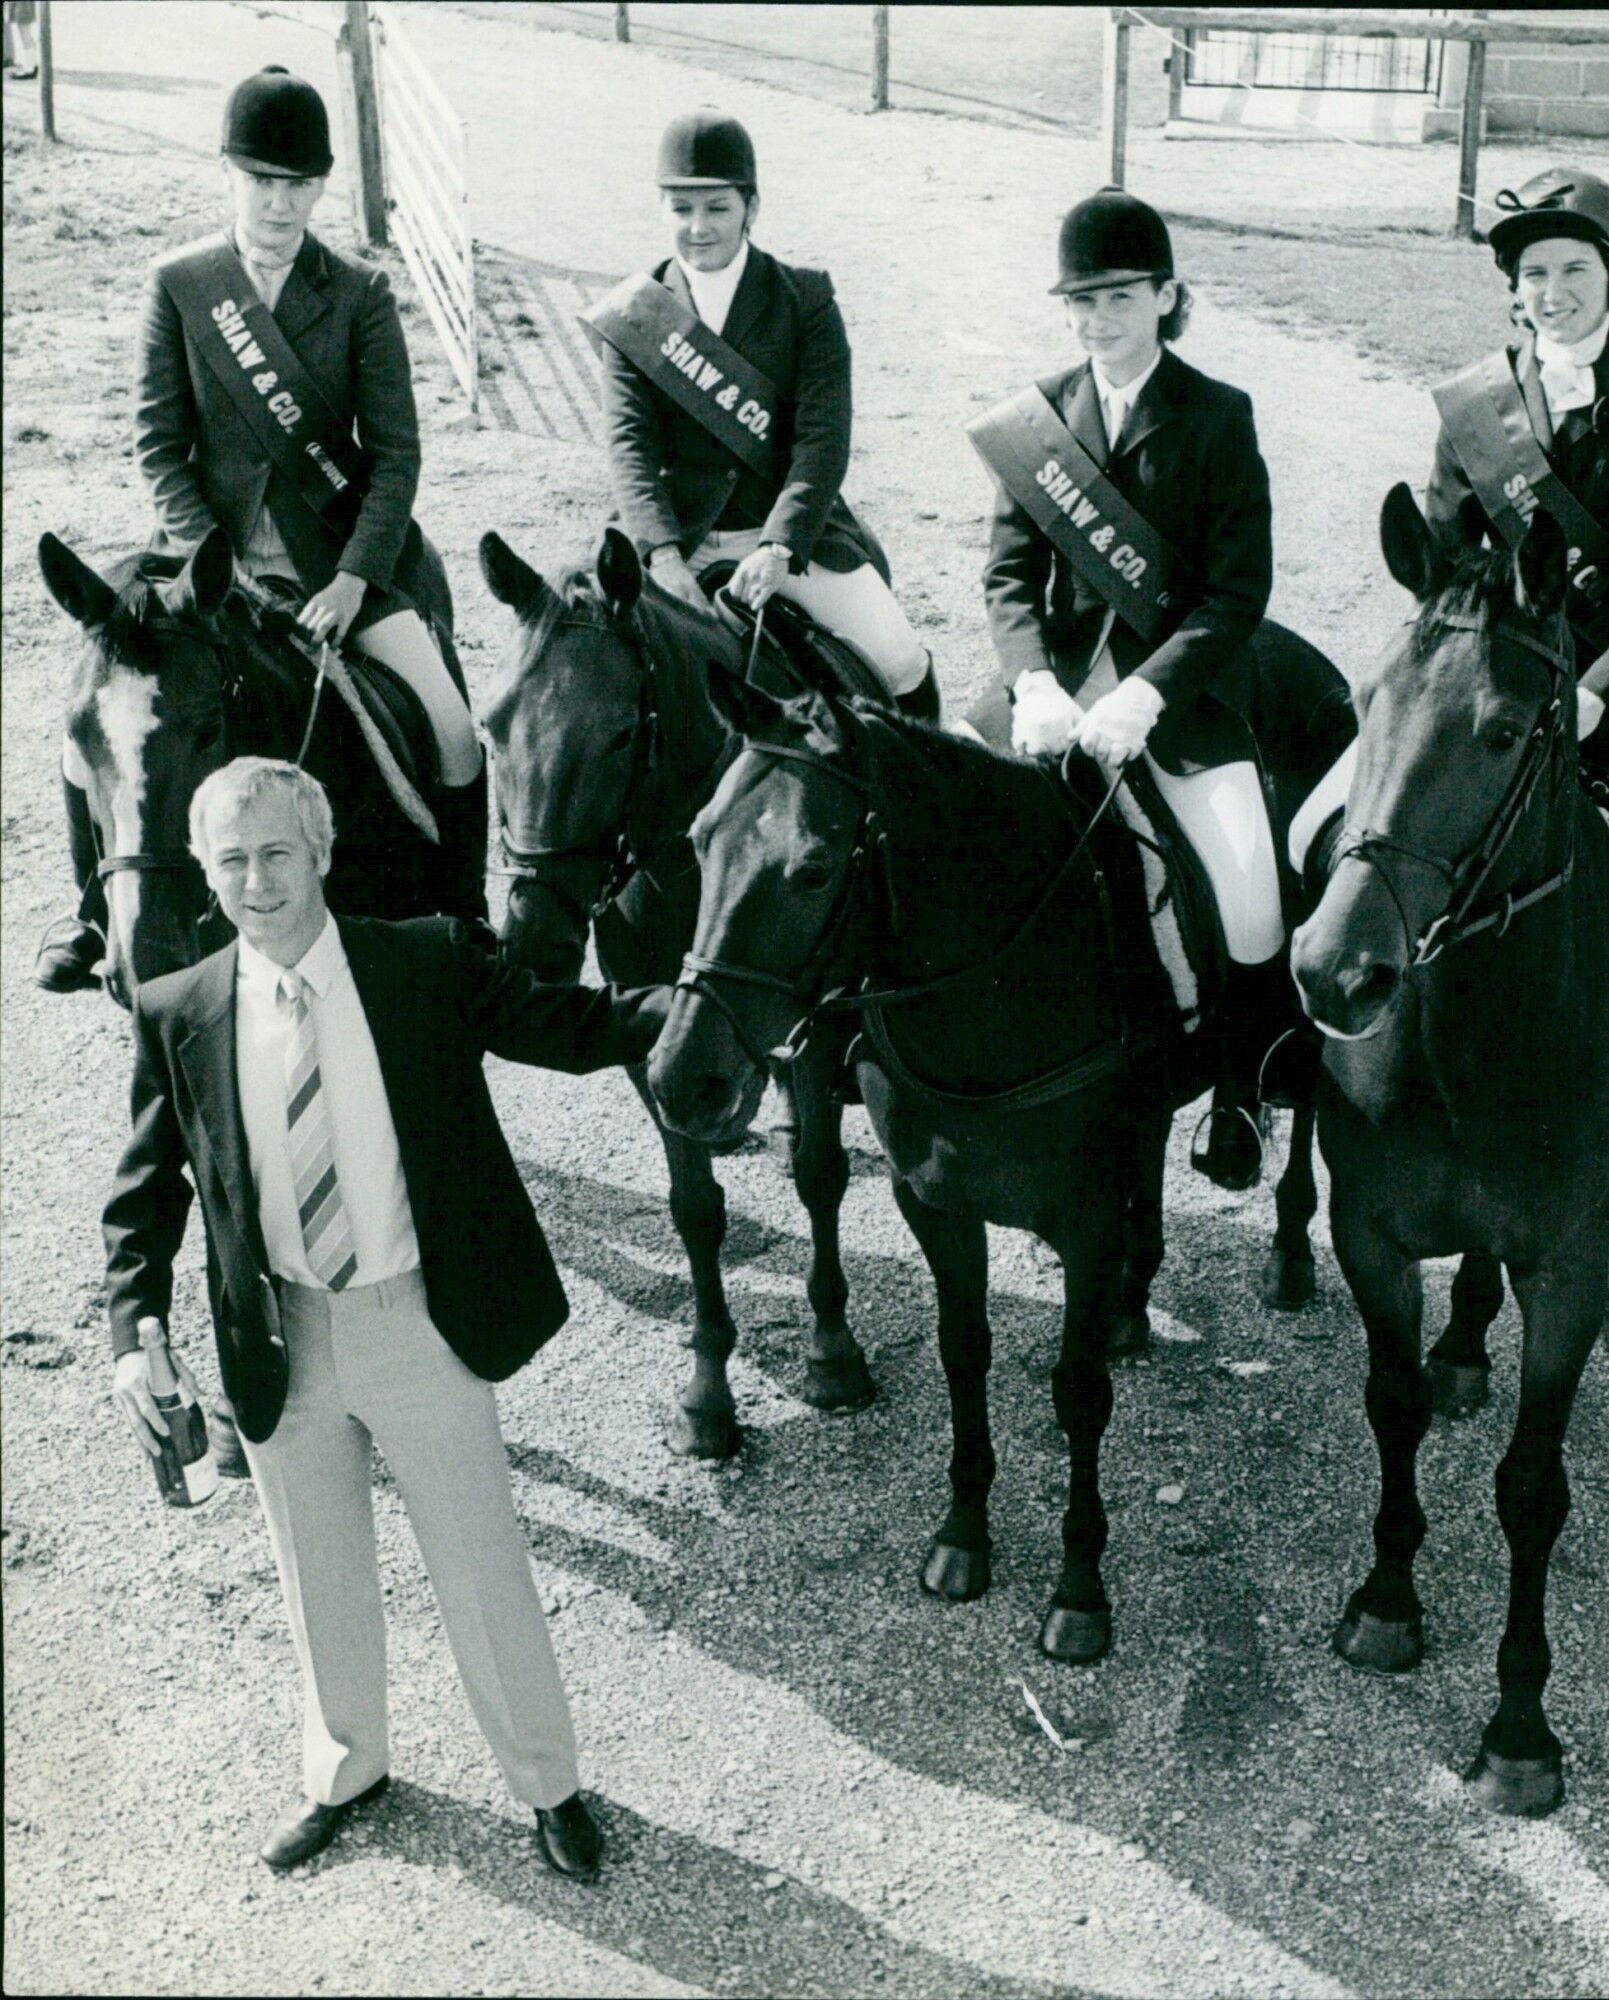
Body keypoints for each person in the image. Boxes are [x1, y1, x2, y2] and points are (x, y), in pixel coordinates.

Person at [104, 757, 668, 1875]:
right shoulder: (178, 1009)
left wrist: (722, 995)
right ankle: (345, 1768)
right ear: (208, 880)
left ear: (320, 851)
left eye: (276, 852)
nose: (257, 881)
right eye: (233, 861)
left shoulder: (423, 959)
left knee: (482, 1565)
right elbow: (144, 1186)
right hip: (280, 1335)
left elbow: (576, 1024)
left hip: (419, 1317)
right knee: (316, 1571)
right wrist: (134, 1328)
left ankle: (549, 1785)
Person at [1295, 166, 1609, 1163]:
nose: (1553, 289)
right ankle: (1305, 1045)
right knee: (1317, 832)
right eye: (1536, 271)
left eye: (1574, 268)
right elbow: (1445, 554)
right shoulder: (1474, 405)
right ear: (1515, 286)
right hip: (1494, 680)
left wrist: (1600, 692)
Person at [36, 64, 486, 994]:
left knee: (452, 731)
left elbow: (395, 457)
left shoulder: (360, 293)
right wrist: (216, 565)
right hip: (209, 572)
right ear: (229, 177)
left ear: (321, 186)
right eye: (261, 181)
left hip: (340, 573)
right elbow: (159, 443)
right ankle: (89, 910)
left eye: (298, 184)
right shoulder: (181, 285)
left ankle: (469, 912)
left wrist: (355, 580)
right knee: (94, 724)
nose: (279, 204)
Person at [975, 188, 1292, 1189]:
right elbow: (1008, 574)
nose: (1097, 319)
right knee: (933, 824)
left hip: (1181, 698)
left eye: (1117, 297)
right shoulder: (1040, 416)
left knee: (1248, 885)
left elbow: (1237, 591)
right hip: (1055, 688)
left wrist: (1148, 692)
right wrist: (1029, 680)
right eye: (1081, 300)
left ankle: (1244, 1086)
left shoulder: (1218, 414)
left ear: (1165, 296)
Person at [592, 109, 939, 719]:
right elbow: (629, 448)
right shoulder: (632, 317)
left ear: (752, 207)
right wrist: (664, 558)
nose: (698, 228)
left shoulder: (806, 301)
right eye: (680, 209)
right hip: (673, 538)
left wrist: (780, 547)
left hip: (783, 533)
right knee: (579, 664)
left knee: (899, 659)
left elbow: (822, 441)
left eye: (717, 208)